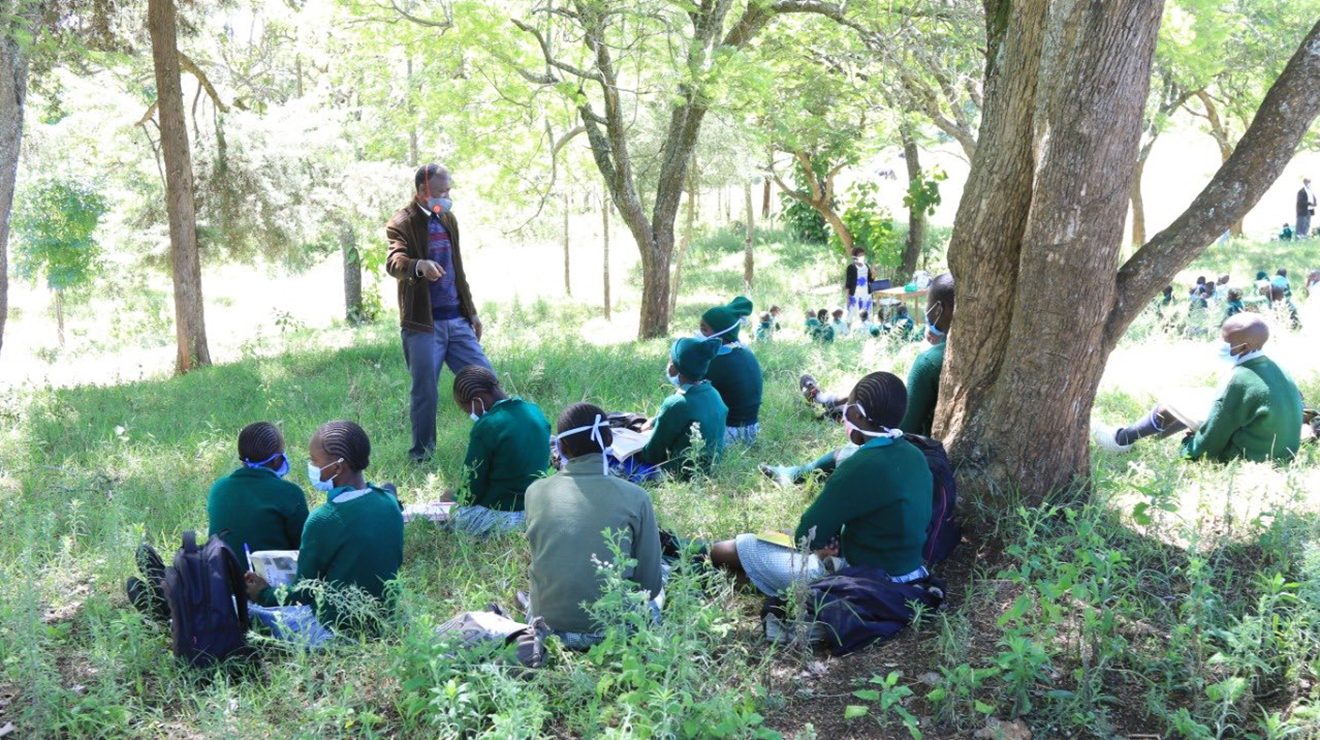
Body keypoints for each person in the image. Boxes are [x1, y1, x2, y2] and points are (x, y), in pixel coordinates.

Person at [711, 372, 932, 597]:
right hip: (912, 573)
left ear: (855, 413)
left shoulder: (858, 467)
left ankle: (695, 556)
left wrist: (824, 551)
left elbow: (806, 537)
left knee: (727, 551)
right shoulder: (916, 455)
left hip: (865, 581)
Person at [770, 275, 955, 485]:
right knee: (869, 396)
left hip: (917, 456)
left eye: (927, 306)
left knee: (848, 449)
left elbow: (903, 427)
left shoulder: (929, 362)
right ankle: (827, 402)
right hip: (931, 454)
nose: (926, 312)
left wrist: (864, 425)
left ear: (938, 309)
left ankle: (797, 474)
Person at [245, 421, 404, 639]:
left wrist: (263, 593)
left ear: (337, 468)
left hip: (335, 627)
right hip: (385, 616)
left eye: (314, 461)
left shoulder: (324, 519)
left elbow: (304, 591)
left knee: (251, 611)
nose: (311, 466)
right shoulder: (389, 503)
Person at [525, 403, 663, 649]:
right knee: (665, 575)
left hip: (547, 627)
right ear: (609, 439)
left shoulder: (535, 492)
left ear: (561, 446)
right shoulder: (636, 497)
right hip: (616, 630)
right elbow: (650, 586)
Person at [386, 163, 493, 463]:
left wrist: (471, 312)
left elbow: (458, 269)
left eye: (449, 190)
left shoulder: (448, 219)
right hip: (423, 326)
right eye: (442, 191)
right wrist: (417, 266)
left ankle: (498, 443)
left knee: (486, 382)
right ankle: (422, 455)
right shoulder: (402, 221)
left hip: (457, 320)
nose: (448, 196)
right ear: (423, 190)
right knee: (425, 393)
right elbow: (394, 262)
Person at [1093, 314, 1303, 463]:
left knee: (1171, 404)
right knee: (1197, 397)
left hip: (1250, 455)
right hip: (1282, 450)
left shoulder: (1239, 379)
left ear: (1245, 346)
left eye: (1226, 340)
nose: (1221, 343)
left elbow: (1216, 433)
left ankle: (1121, 440)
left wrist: (1190, 448)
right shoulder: (1277, 368)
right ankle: (1142, 436)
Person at [446, 366, 551, 535]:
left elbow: (471, 489)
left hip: (503, 516)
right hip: (536, 511)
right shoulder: (535, 412)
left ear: (477, 401)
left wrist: (454, 498)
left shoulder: (487, 426)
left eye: (467, 410)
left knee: (453, 516)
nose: (470, 415)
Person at [207, 422, 309, 569]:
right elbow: (304, 549)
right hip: (271, 585)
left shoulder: (219, 488)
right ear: (276, 460)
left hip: (221, 584)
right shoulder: (289, 493)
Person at [629, 336, 728, 479]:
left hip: (681, 473)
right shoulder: (713, 392)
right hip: (711, 466)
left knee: (617, 463)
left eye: (670, 360)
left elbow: (652, 454)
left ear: (674, 368)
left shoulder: (675, 403)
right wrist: (655, 421)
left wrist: (635, 449)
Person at [700, 296, 764, 443]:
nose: (700, 335)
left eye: (704, 329)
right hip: (752, 430)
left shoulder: (718, 361)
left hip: (729, 433)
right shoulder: (744, 352)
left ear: (721, 333)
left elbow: (694, 395)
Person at [845, 247, 876, 321]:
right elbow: (848, 284)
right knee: (853, 313)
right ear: (855, 257)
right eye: (860, 255)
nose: (862, 257)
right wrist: (847, 298)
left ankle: (867, 328)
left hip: (866, 294)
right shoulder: (851, 268)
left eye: (863, 255)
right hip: (855, 294)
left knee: (867, 313)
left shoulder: (867, 266)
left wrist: (874, 274)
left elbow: (871, 280)